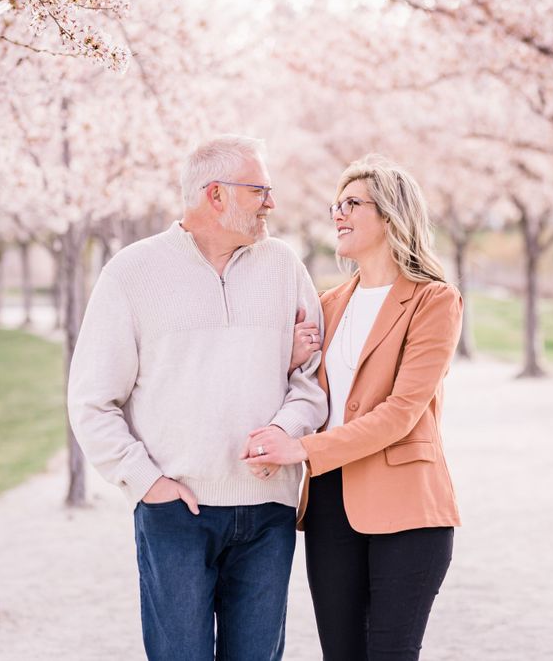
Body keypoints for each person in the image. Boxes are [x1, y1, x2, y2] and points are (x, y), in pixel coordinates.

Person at [67, 134, 327, 661]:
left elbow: (311, 380)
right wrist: (146, 483)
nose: (271, 204)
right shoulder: (132, 273)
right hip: (175, 511)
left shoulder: (284, 267)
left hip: (268, 512)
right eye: (260, 191)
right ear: (216, 195)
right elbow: (92, 400)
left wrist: (286, 430)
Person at [243, 154, 463, 660]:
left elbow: (401, 412)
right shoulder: (328, 303)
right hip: (327, 506)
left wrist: (301, 448)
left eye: (352, 204)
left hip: (408, 510)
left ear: (389, 215)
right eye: (335, 204)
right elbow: (308, 396)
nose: (337, 214)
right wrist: (290, 360)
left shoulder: (434, 301)